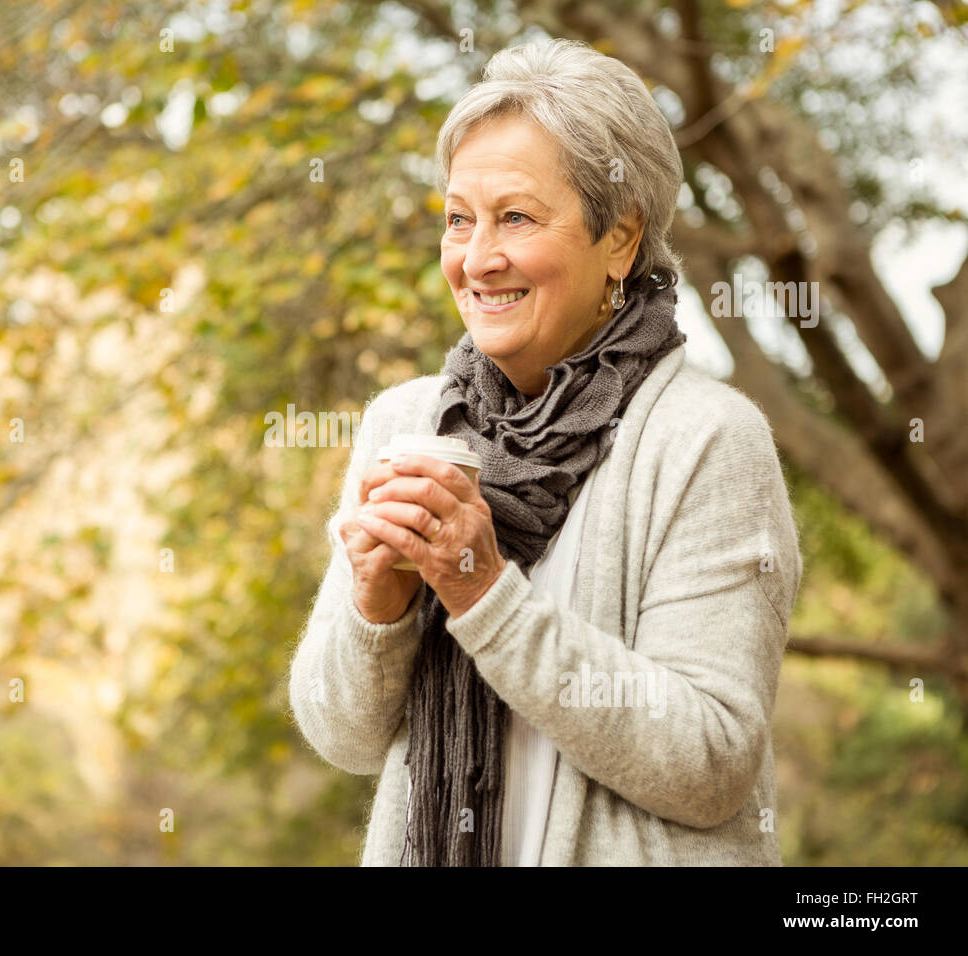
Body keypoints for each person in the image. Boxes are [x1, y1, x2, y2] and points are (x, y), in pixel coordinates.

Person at [288, 37, 803, 866]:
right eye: (460, 220)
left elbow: (710, 762)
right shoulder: (405, 424)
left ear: (621, 240)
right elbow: (341, 733)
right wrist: (375, 613)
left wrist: (482, 593)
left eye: (516, 218)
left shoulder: (706, 439)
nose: (476, 259)